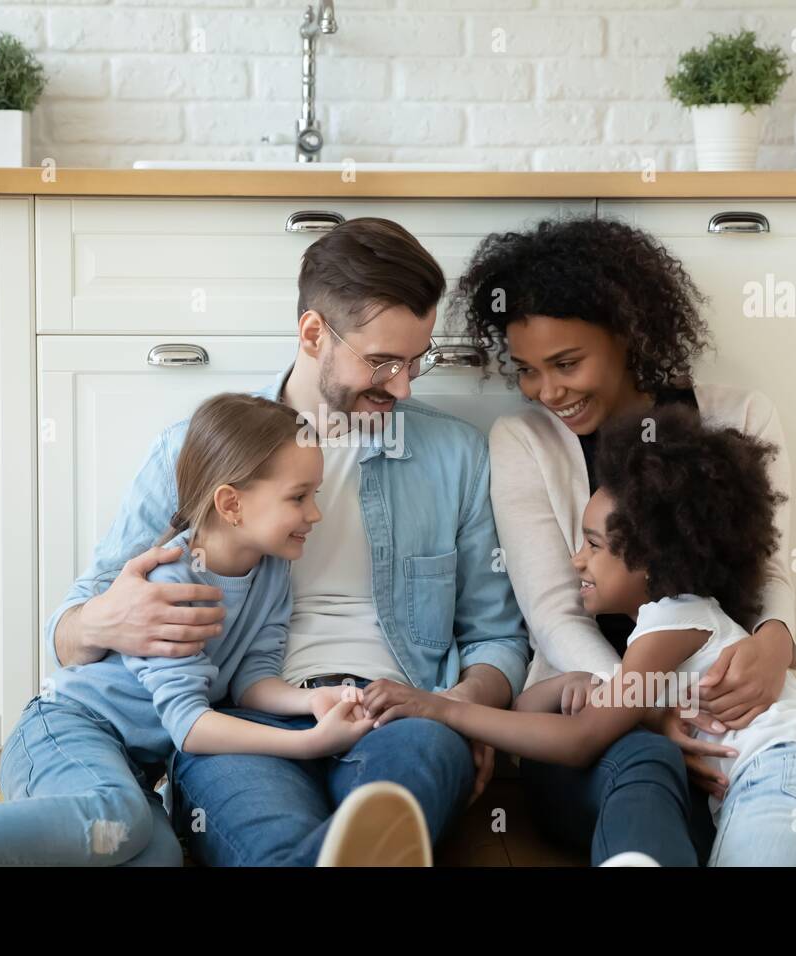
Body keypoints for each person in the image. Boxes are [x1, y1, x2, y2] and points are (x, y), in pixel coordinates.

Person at [48, 217, 529, 866]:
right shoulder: (200, 448)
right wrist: (106, 617)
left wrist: (460, 711)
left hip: (397, 710)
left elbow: (495, 634)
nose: (404, 387)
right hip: (240, 721)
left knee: (401, 792)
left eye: (415, 362)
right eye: (382, 360)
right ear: (312, 333)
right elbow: (68, 638)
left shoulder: (454, 455)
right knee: (278, 846)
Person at [0, 393, 378, 867]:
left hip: (127, 767)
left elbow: (250, 680)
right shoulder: (176, 584)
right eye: (300, 497)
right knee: (118, 818)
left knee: (158, 856)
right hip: (65, 732)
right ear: (231, 504)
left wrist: (309, 700)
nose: (316, 514)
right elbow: (190, 726)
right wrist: (306, 742)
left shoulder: (270, 572)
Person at [364, 406, 796, 867]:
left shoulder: (670, 625)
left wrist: (440, 709)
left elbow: (580, 740)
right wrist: (572, 684)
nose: (575, 558)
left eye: (594, 545)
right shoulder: (679, 628)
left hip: (781, 782)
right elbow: (536, 707)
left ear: (653, 560)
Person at [450, 216, 796, 865]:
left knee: (764, 785)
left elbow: (770, 571)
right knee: (644, 762)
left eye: (567, 363)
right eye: (527, 370)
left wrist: (775, 644)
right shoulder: (523, 442)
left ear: (629, 335)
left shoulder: (739, 417)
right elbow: (554, 613)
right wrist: (646, 711)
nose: (547, 391)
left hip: (724, 712)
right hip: (592, 713)